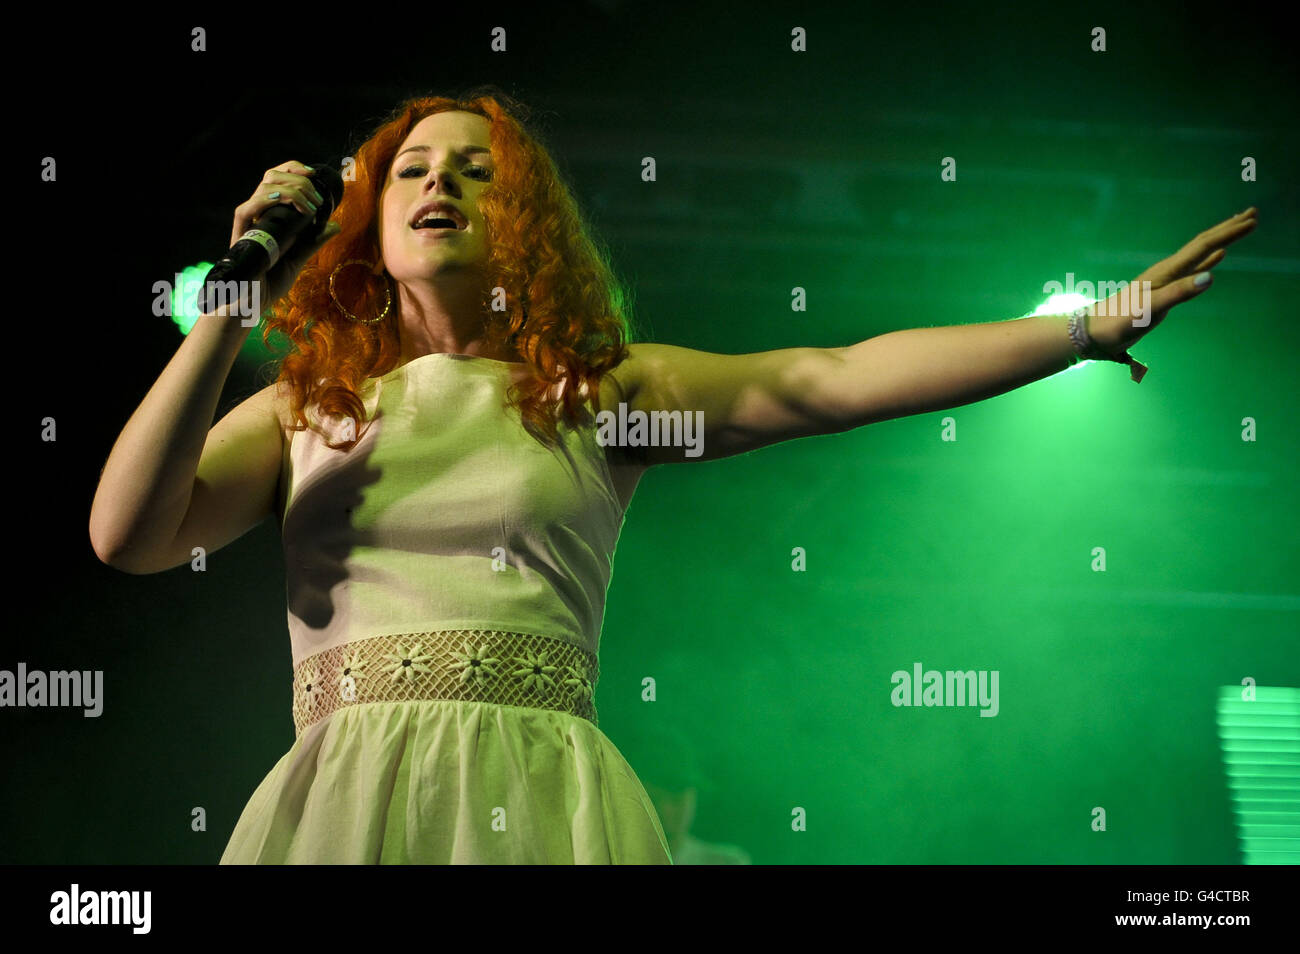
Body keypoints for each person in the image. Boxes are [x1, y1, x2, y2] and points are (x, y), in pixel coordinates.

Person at [87, 88, 1259, 864]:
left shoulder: (596, 394)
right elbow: (128, 534)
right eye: (411, 170)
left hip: (543, 800)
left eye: (479, 172)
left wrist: (1078, 332)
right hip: (347, 804)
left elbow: (830, 377)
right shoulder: (310, 407)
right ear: (369, 220)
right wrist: (236, 302)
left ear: (526, 223)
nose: (441, 183)